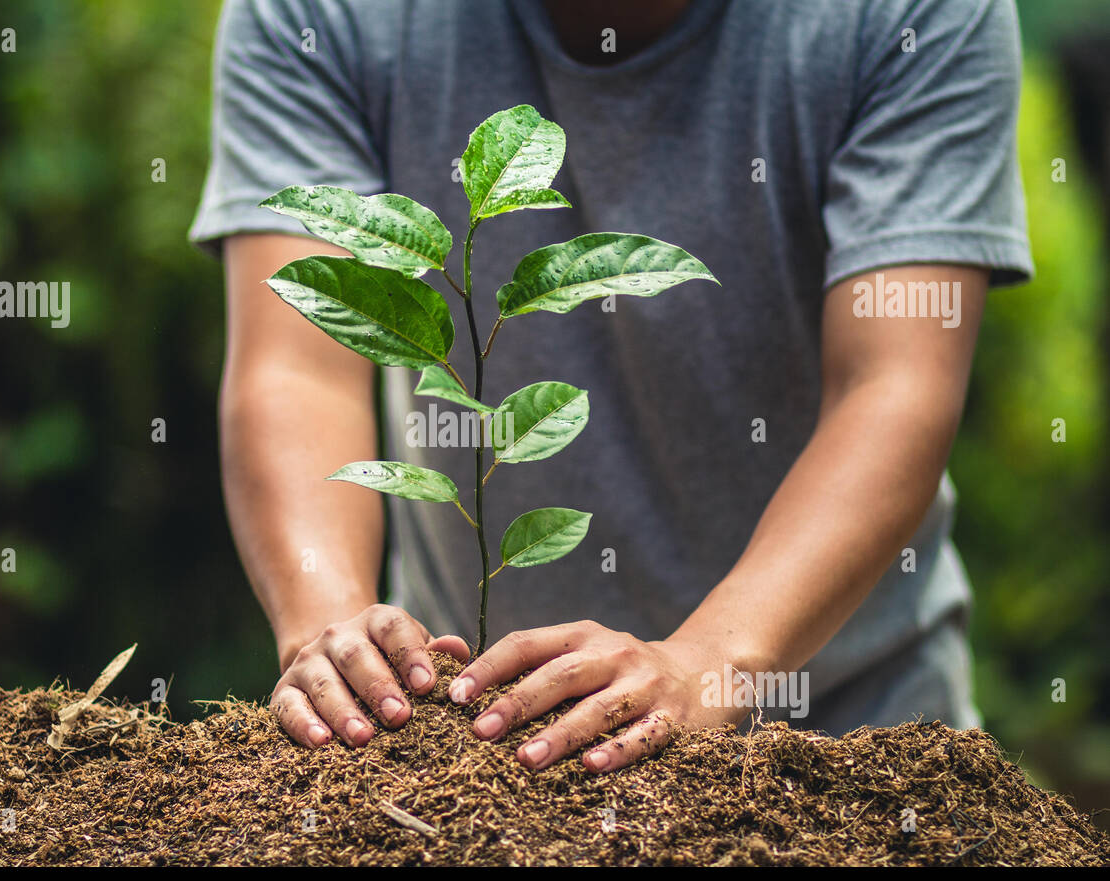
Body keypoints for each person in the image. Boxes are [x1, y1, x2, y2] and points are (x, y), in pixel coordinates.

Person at [190, 0, 1033, 773]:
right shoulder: (320, 15)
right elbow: (299, 365)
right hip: (470, 733)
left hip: (846, 737)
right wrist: (331, 631)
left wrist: (708, 663)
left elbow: (892, 386)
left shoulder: (907, 15)